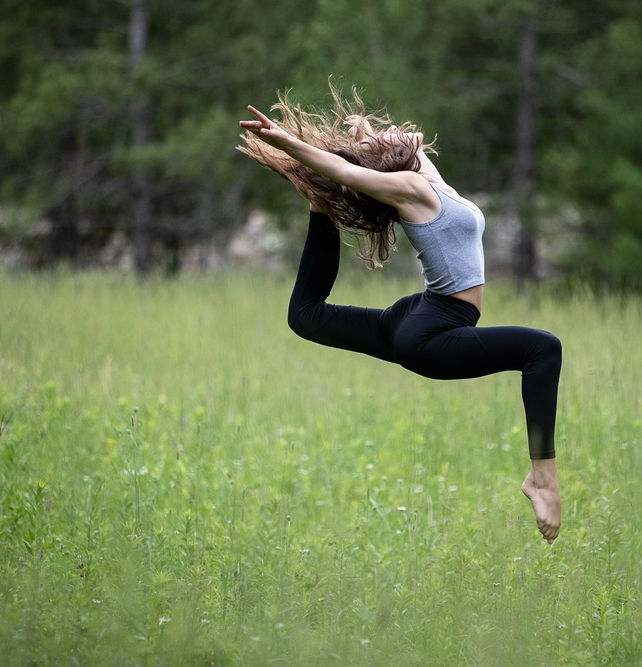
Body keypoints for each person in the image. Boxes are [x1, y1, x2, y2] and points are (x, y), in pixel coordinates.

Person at [238, 86, 562, 543]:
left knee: (306, 315)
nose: (390, 129)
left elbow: (394, 153)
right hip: (432, 331)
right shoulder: (411, 190)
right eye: (382, 137)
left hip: (415, 316)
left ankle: (319, 207)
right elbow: (343, 169)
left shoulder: (429, 181)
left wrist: (362, 139)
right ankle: (543, 480)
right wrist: (290, 145)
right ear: (387, 165)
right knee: (542, 349)